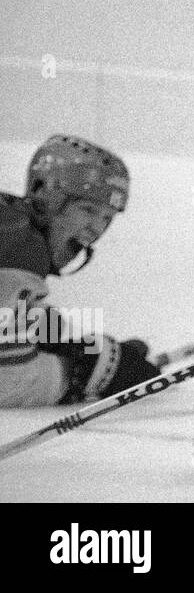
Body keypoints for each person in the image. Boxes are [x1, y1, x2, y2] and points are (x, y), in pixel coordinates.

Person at [0, 135, 158, 408]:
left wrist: (69, 343)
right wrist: (85, 371)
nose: (97, 228)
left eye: (107, 217)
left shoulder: (11, 225)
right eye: (88, 210)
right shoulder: (19, 246)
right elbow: (7, 382)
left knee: (50, 324)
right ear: (45, 195)